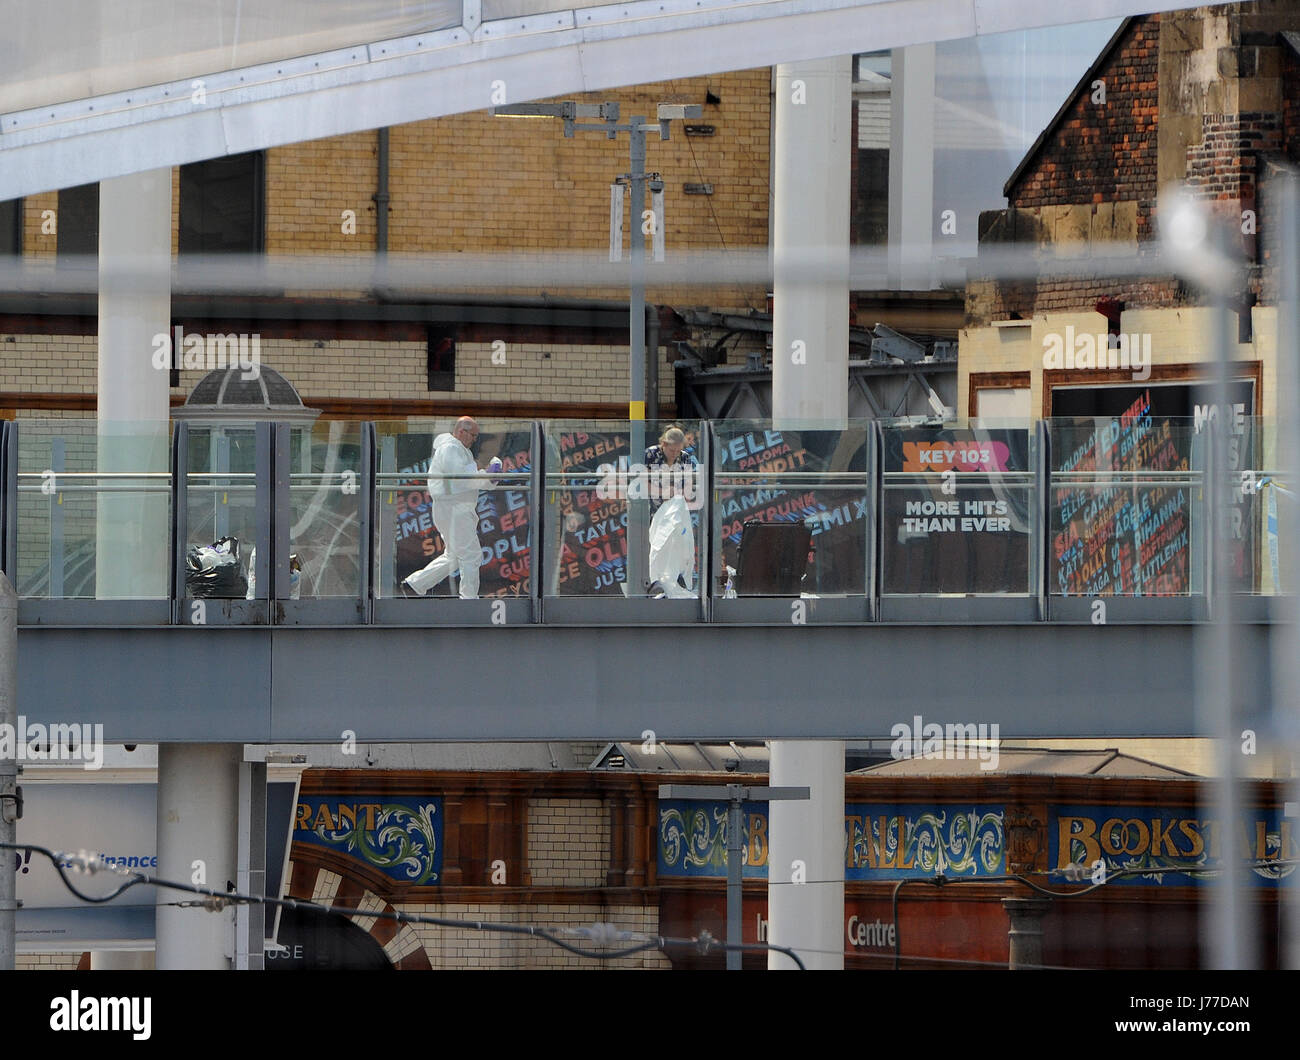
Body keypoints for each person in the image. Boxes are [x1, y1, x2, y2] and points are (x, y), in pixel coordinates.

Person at [401, 417, 501, 599]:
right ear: (461, 431)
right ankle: (469, 599)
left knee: (454, 555)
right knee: (471, 555)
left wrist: (487, 477)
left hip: (453, 508)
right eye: (473, 435)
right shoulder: (451, 449)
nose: (474, 440)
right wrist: (487, 476)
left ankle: (415, 584)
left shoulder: (456, 451)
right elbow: (462, 479)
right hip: (455, 508)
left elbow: (465, 479)